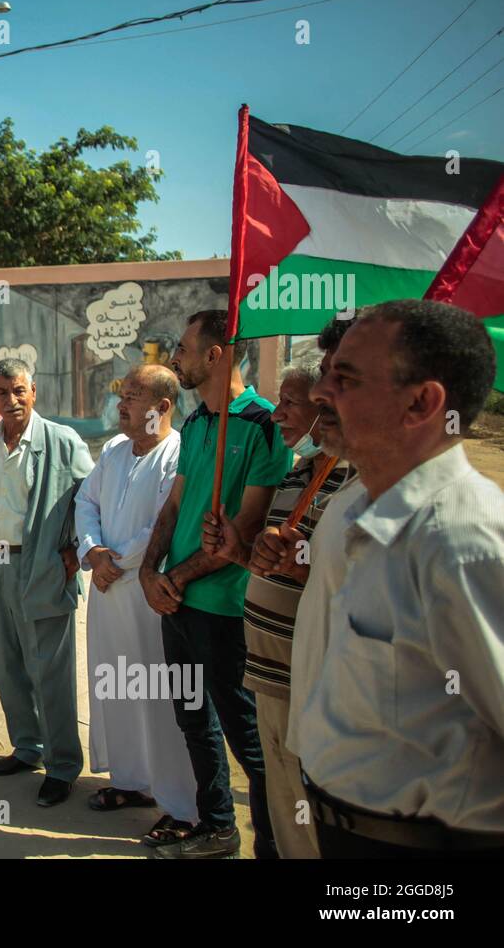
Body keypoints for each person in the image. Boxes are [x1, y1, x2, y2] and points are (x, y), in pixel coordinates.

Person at [289, 300, 504, 858]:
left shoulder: (461, 541)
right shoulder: (369, 516)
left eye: (346, 378)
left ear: (420, 403)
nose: (319, 393)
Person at [138, 309, 292, 858]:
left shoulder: (266, 425)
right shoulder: (200, 424)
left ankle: (273, 844)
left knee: (247, 738)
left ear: (216, 354)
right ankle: (218, 826)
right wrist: (149, 570)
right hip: (177, 602)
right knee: (192, 722)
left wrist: (173, 580)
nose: (174, 357)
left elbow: (246, 528)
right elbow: (177, 503)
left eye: (183, 347)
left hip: (223, 608)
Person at [199, 352, 354, 859]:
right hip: (268, 672)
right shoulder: (299, 475)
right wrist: (237, 551)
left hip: (309, 674)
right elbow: (272, 567)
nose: (278, 413)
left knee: (315, 813)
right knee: (284, 799)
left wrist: (299, 568)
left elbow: (349, 584)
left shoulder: (358, 484)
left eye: (291, 402)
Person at [76, 364, 199, 832]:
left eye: (132, 396)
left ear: (162, 407)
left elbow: (164, 525)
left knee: (156, 695)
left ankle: (180, 804)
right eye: (122, 395)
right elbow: (86, 502)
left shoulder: (179, 454)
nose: (121, 405)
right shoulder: (112, 450)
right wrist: (93, 551)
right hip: (108, 589)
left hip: (147, 592)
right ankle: (132, 780)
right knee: (115, 686)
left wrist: (118, 562)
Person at [0, 358, 93, 806]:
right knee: (9, 668)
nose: (12, 400)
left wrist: (77, 550)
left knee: (50, 672)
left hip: (40, 566)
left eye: (19, 390)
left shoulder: (62, 441)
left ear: (33, 391)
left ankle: (62, 767)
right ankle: (27, 748)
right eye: (2, 393)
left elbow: (91, 498)